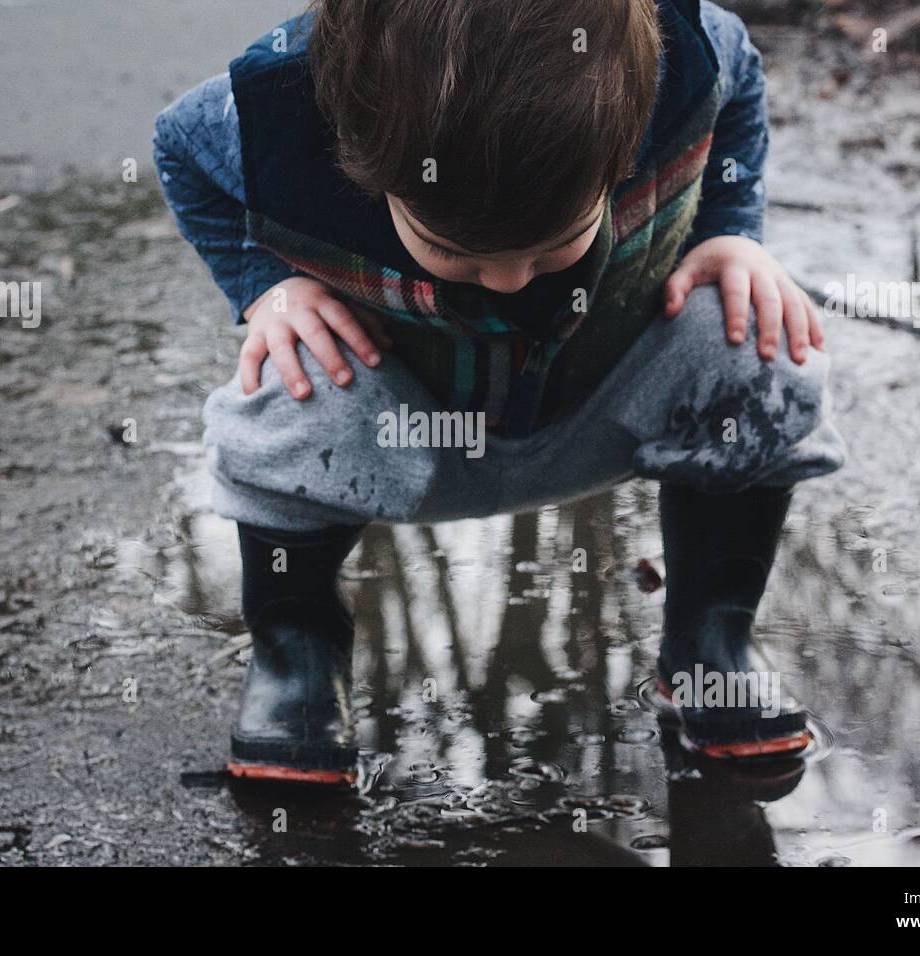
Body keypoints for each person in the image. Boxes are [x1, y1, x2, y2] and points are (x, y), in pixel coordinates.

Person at [153, 0, 847, 783]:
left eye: (553, 245)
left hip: (605, 405)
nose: (511, 281)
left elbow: (741, 79)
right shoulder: (277, 107)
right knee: (296, 363)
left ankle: (710, 642)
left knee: (756, 328)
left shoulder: (678, 53)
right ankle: (298, 661)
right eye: (455, 250)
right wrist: (265, 287)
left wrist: (729, 229)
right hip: (397, 426)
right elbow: (180, 148)